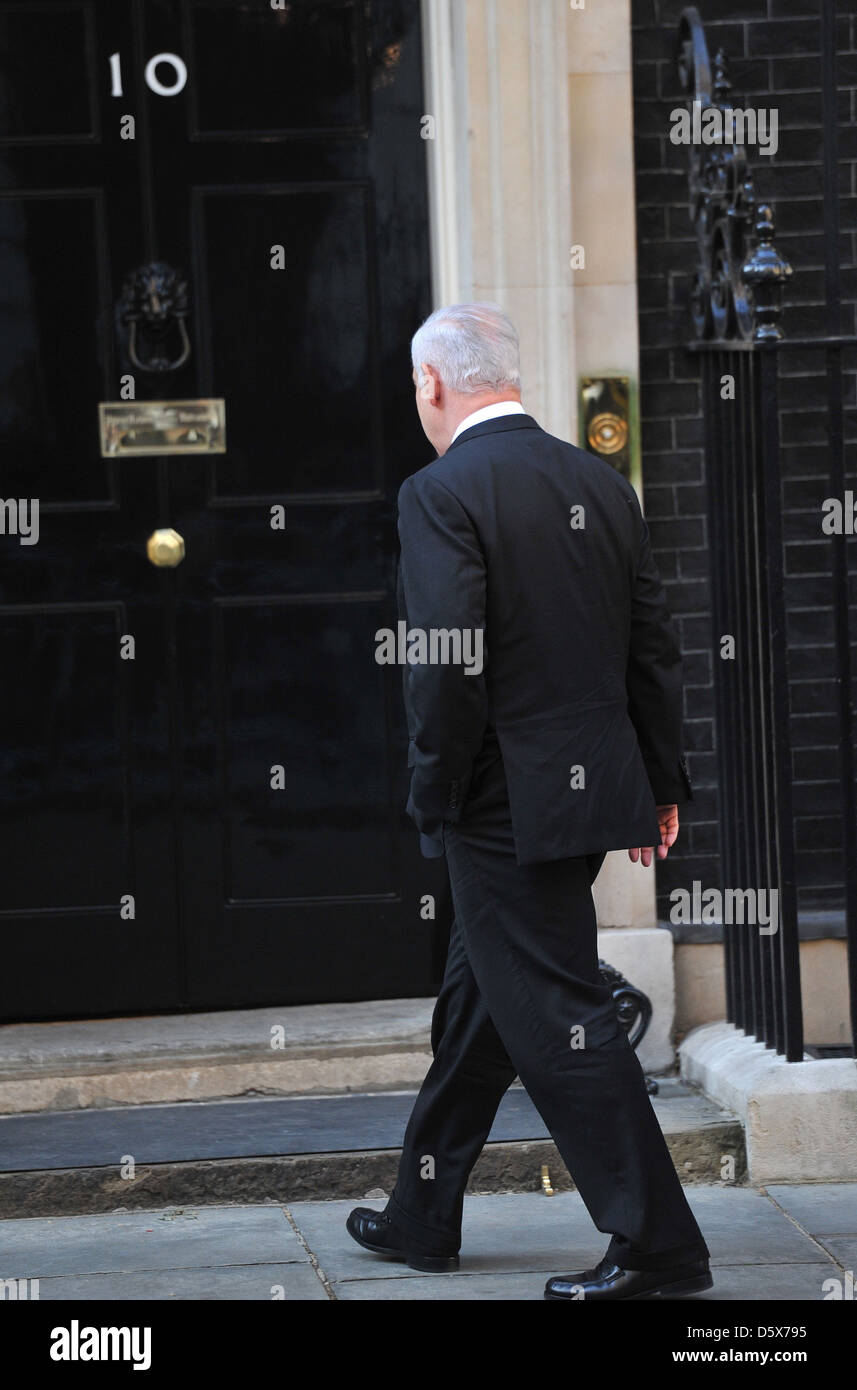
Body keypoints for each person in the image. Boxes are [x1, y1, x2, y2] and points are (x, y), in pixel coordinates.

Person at [346, 303, 711, 1300]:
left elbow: (445, 665)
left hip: (497, 802)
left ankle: (659, 1244)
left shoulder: (437, 491)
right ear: (508, 374)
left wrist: (435, 791)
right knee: (483, 999)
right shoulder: (598, 480)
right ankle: (423, 1205)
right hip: (583, 793)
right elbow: (652, 646)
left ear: (431, 385)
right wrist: (661, 783)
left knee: (556, 1015)